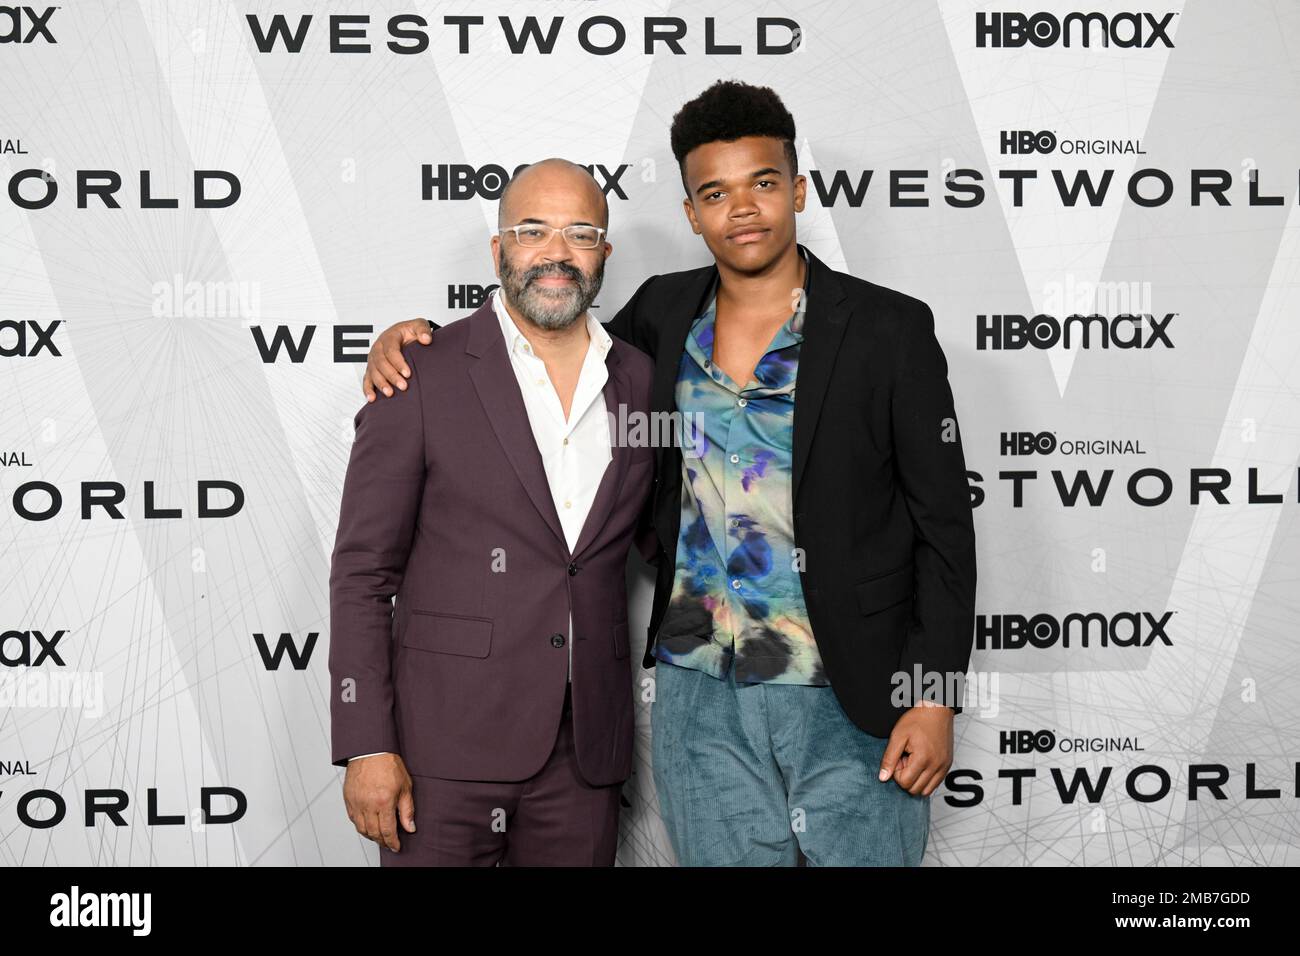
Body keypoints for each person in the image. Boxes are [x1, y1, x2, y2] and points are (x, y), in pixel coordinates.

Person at [362, 81, 977, 866]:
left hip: (850, 696)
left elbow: (945, 534)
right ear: (692, 213)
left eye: (762, 184)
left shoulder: (890, 330)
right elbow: (538, 344)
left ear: (798, 189)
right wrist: (414, 339)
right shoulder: (661, 313)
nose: (742, 210)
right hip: (699, 695)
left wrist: (931, 695)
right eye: (715, 193)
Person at [329, 158, 656, 865]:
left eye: (581, 233)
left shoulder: (639, 378)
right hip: (440, 752)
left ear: (604, 253)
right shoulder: (421, 372)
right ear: (498, 249)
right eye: (532, 230)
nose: (556, 254)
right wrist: (365, 742)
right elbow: (362, 572)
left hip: (586, 758)